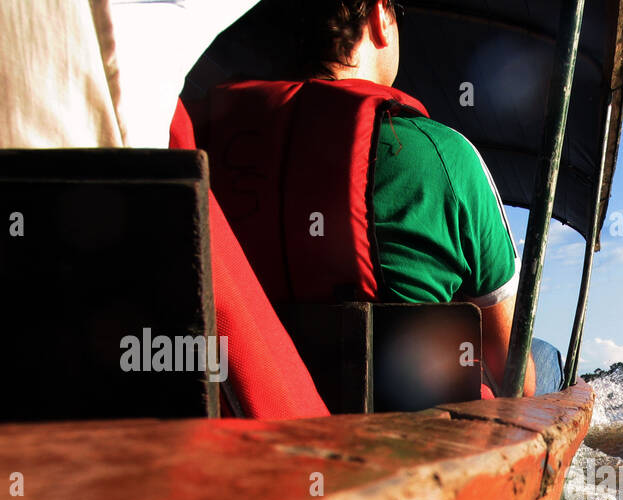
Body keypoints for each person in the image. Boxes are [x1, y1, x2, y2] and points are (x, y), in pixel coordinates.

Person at [194, 0, 534, 396]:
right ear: (380, 15)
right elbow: (516, 382)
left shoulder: (204, 149)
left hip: (235, 426)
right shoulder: (444, 157)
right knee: (526, 365)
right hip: (414, 445)